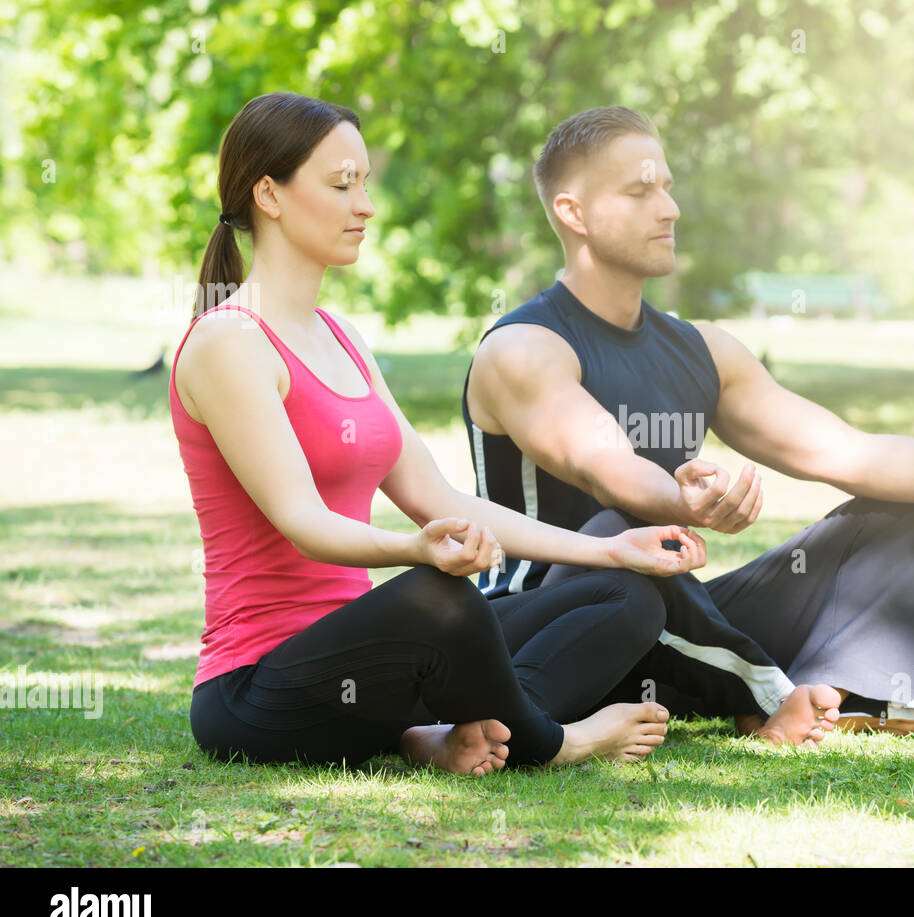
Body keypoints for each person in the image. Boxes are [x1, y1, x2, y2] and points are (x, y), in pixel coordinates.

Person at [462, 106, 914, 742]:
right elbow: (603, 467)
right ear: (572, 212)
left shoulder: (702, 350)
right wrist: (683, 501)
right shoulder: (525, 348)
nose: (670, 208)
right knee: (629, 531)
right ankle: (769, 697)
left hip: (671, 625)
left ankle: (841, 692)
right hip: (552, 628)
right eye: (640, 192)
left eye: (667, 186)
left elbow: (855, 453)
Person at [172, 92, 710, 775]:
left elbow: (439, 494)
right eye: (342, 185)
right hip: (258, 688)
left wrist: (609, 552)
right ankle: (553, 739)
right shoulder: (230, 341)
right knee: (438, 596)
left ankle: (455, 733)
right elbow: (301, 519)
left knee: (626, 595)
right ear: (269, 195)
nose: (365, 205)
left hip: (368, 660)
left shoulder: (342, 337)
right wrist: (412, 549)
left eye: (365, 183)